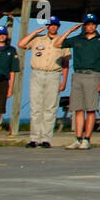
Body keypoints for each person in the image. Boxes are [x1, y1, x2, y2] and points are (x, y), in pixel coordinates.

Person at [55, 14, 100, 150]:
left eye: (92, 24)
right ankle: (78, 138)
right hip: (78, 75)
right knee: (77, 108)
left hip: (93, 75)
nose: (90, 26)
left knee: (91, 109)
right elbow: (57, 44)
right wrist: (70, 31)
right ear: (84, 26)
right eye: (87, 24)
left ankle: (87, 139)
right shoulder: (77, 39)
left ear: (96, 25)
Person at [20, 16, 69, 148]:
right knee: (36, 107)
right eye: (50, 25)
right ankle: (34, 138)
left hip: (54, 74)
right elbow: (21, 44)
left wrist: (64, 80)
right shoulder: (38, 39)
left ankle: (46, 138)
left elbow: (66, 62)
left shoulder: (62, 41)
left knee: (50, 107)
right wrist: (35, 32)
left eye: (55, 25)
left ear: (58, 27)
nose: (53, 27)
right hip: (38, 73)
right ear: (47, 26)